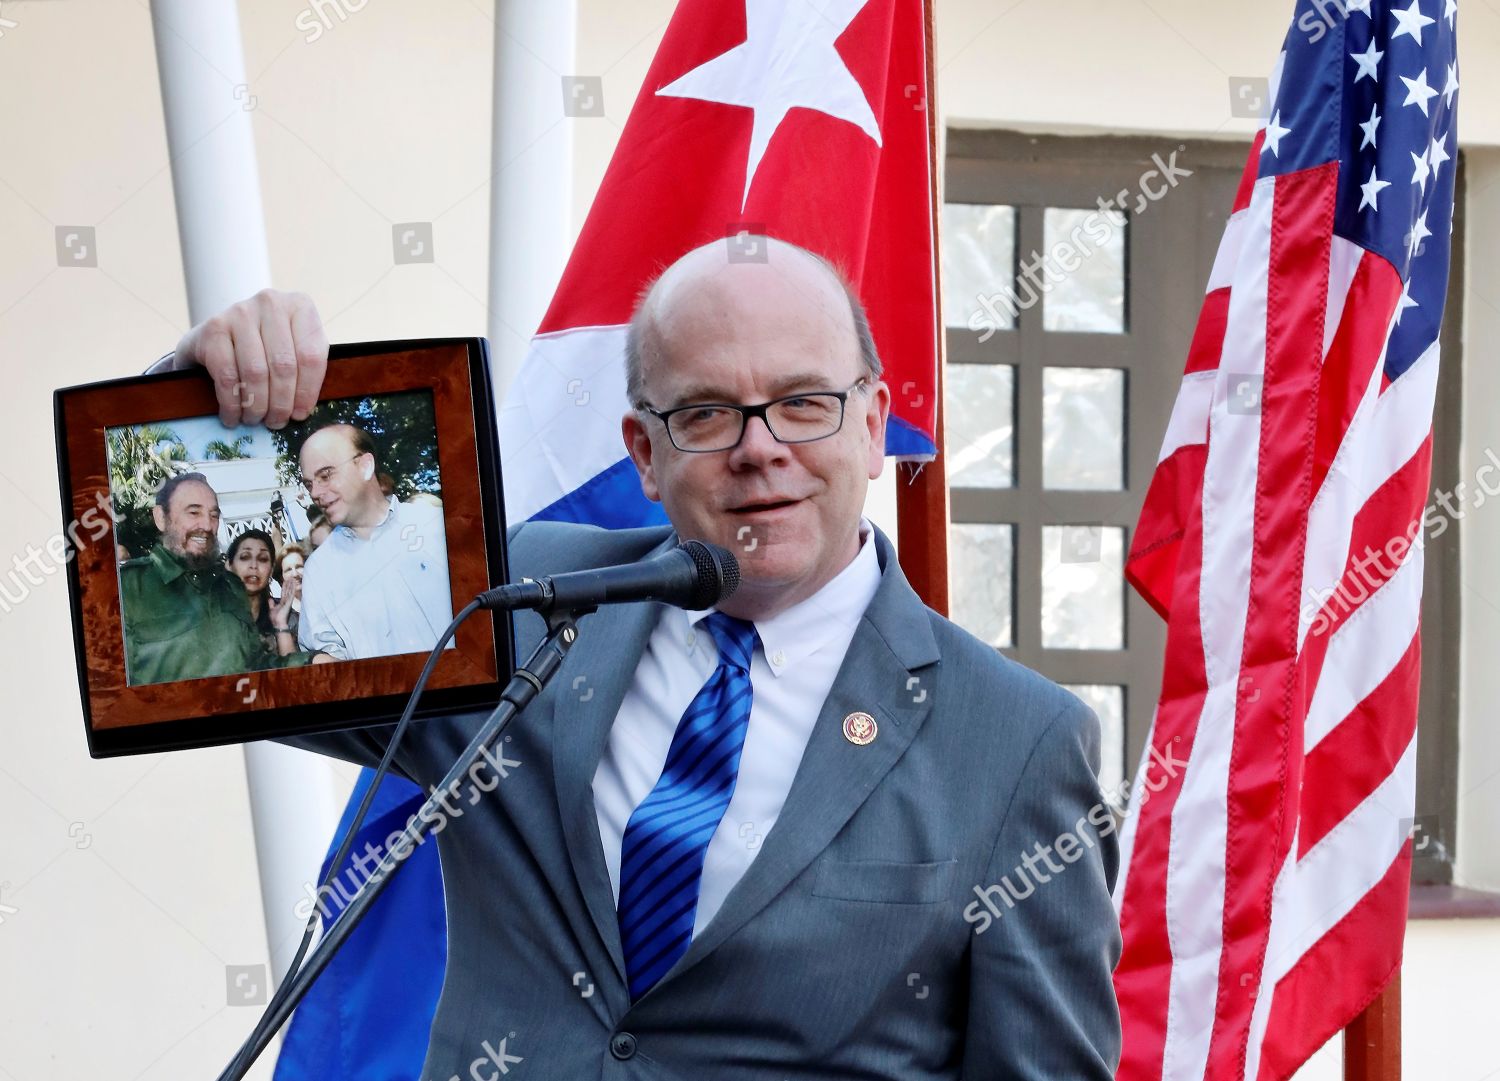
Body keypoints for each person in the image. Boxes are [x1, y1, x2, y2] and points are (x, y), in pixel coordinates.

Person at [165, 242, 1120, 1078]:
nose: (759, 450)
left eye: (802, 403)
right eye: (705, 414)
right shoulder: (513, 600)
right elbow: (157, 674)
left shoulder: (1020, 744)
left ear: (872, 425)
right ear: (644, 454)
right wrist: (196, 393)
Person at [119, 473, 323, 685]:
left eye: (214, 515)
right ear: (161, 518)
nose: (207, 525)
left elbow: (255, 666)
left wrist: (312, 661)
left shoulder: (230, 587)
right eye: (194, 512)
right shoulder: (127, 588)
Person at [294, 423, 451, 660]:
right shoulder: (318, 570)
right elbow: (329, 661)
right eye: (309, 484)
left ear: (365, 466)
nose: (315, 492)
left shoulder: (437, 526)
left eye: (325, 475)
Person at [224, 528, 300, 656]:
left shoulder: (289, 617)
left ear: (270, 570)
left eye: (263, 559)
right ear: (229, 566)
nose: (253, 565)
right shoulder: (213, 615)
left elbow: (296, 672)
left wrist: (281, 625)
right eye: (245, 557)